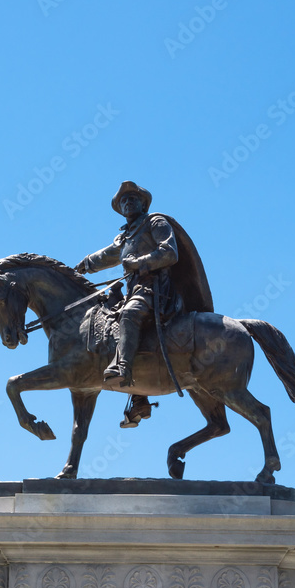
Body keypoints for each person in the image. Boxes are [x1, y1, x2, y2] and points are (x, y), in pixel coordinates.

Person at [75, 181, 214, 426]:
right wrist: (85, 264)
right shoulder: (126, 236)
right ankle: (139, 399)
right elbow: (107, 255)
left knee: (129, 314)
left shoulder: (156, 223)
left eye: (132, 198)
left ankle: (123, 368)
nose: (127, 202)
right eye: (123, 201)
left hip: (158, 291)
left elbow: (170, 253)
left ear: (143, 203)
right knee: (110, 322)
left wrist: (139, 263)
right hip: (136, 290)